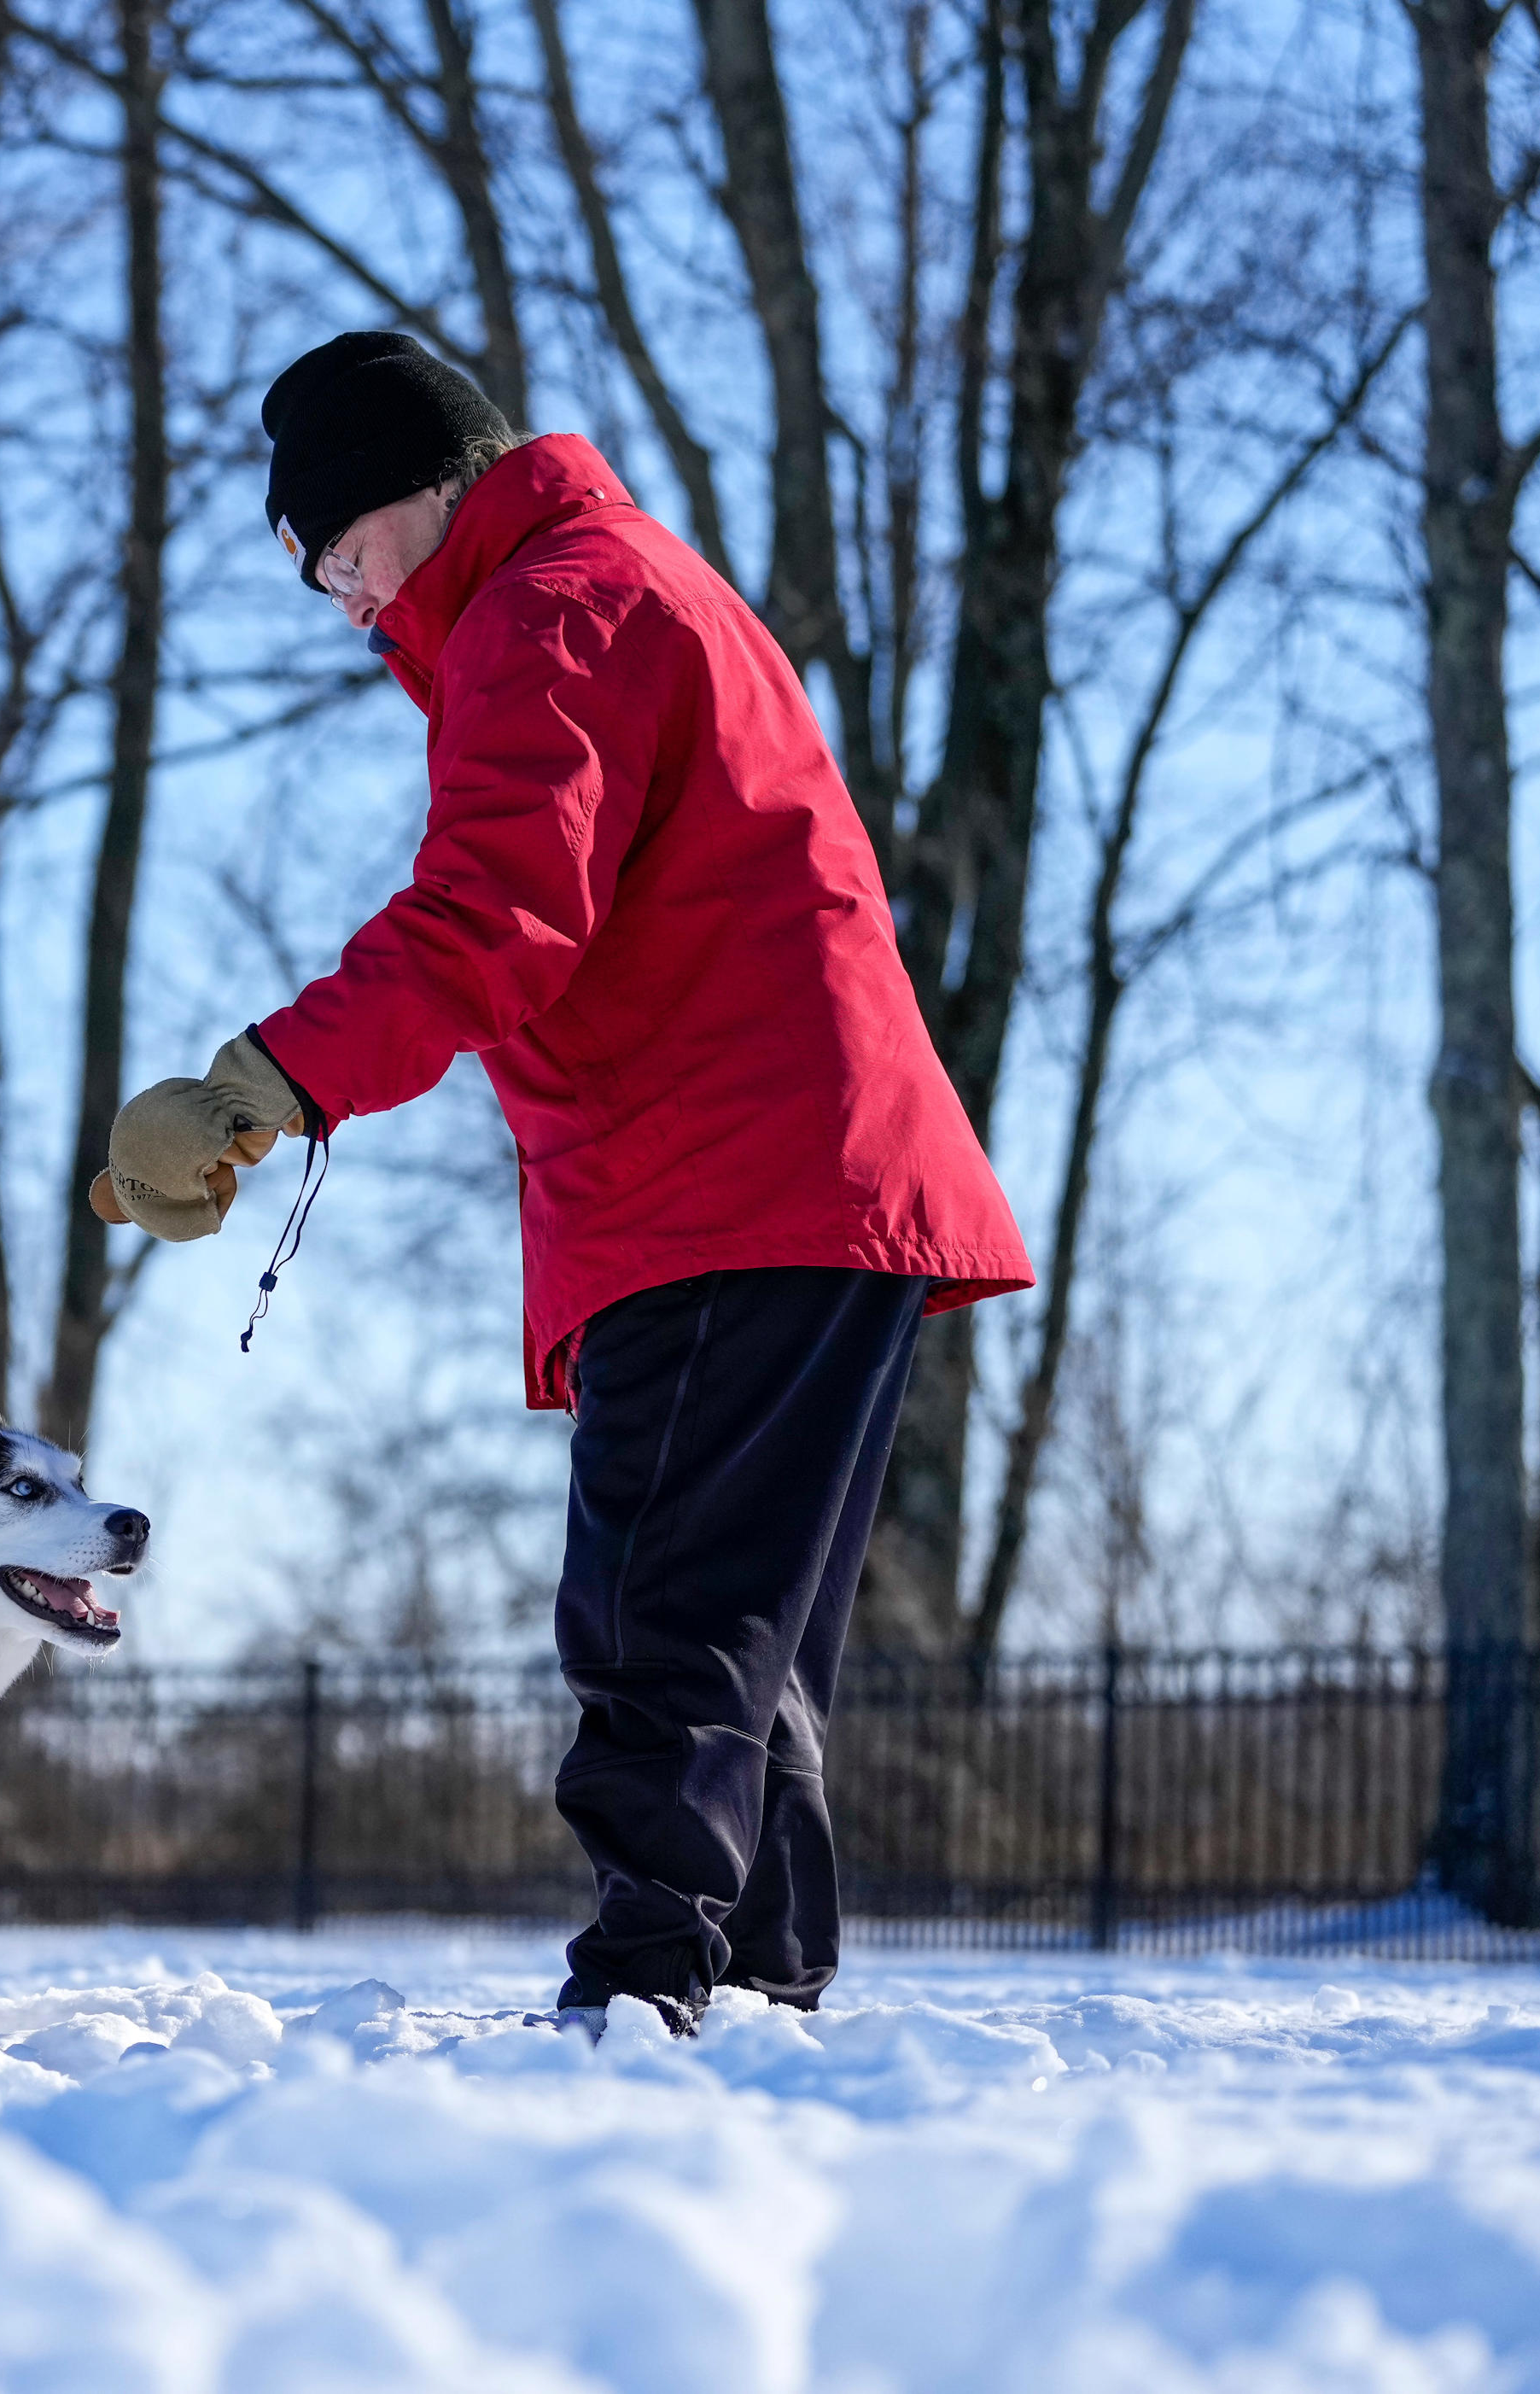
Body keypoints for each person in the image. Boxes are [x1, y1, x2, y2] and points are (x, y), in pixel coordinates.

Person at [101, 330, 1031, 2029]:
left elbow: (492, 919)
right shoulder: (616, 583)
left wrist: (263, 1086)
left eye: (354, 555)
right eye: (326, 583)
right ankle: (752, 1998)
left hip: (727, 1184)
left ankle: (646, 1998)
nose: (358, 601)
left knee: (658, 1616)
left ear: (436, 484)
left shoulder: (556, 606)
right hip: (801, 1179)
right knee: (748, 1649)